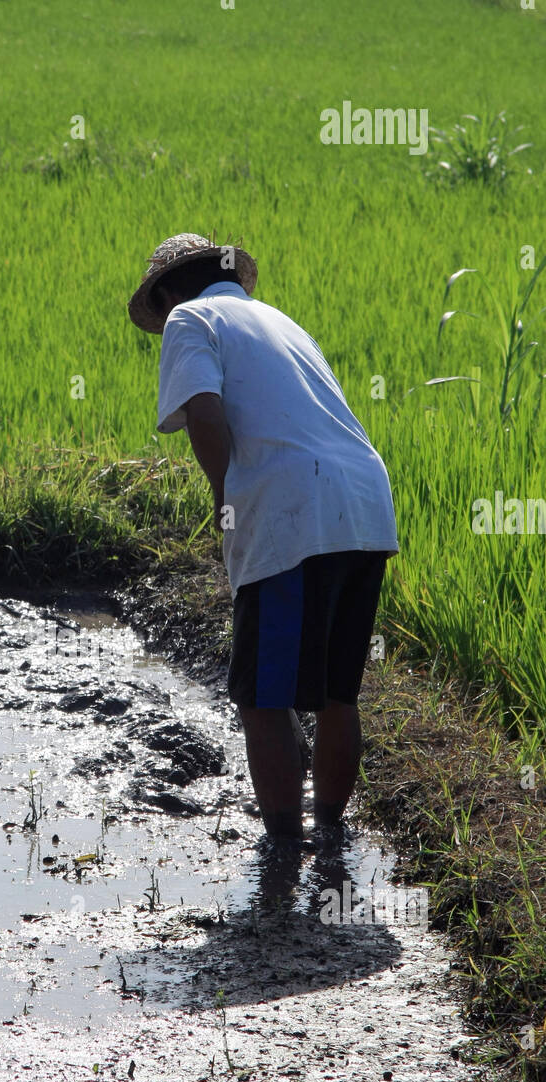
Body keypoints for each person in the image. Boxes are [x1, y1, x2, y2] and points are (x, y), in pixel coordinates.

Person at [127, 233, 399, 842]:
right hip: (364, 501)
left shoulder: (190, 318)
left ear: (170, 291)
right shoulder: (281, 321)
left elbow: (204, 410)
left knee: (263, 699)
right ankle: (329, 833)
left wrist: (225, 498)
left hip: (290, 507)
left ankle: (281, 847)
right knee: (336, 692)